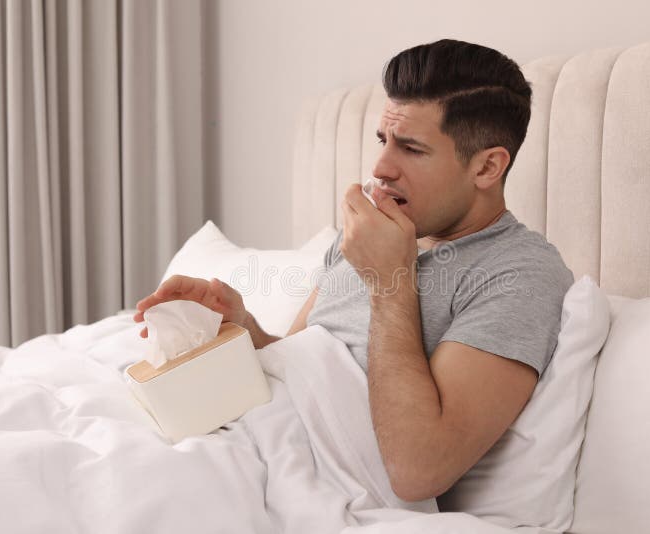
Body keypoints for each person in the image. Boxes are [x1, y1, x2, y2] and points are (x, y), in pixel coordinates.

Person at [134, 39, 573, 504]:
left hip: (303, 485)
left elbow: (418, 471)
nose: (381, 168)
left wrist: (389, 282)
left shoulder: (519, 273)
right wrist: (244, 330)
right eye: (384, 141)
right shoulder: (372, 234)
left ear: (487, 167)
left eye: (412, 149)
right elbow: (300, 366)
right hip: (249, 443)